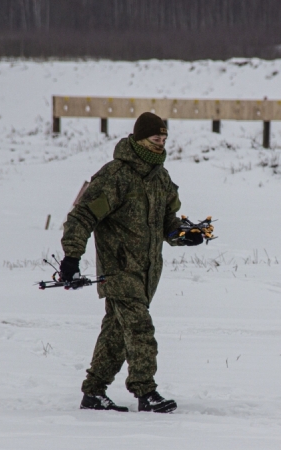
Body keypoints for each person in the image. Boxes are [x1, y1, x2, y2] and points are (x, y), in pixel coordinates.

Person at [59, 112, 209, 413]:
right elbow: (82, 216)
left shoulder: (161, 178)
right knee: (140, 329)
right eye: (156, 139)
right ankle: (146, 392)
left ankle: (93, 393)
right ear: (140, 139)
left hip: (147, 274)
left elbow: (168, 224)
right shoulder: (115, 176)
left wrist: (185, 235)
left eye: (164, 139)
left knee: (116, 334)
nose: (161, 144)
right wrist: (72, 258)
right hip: (119, 271)